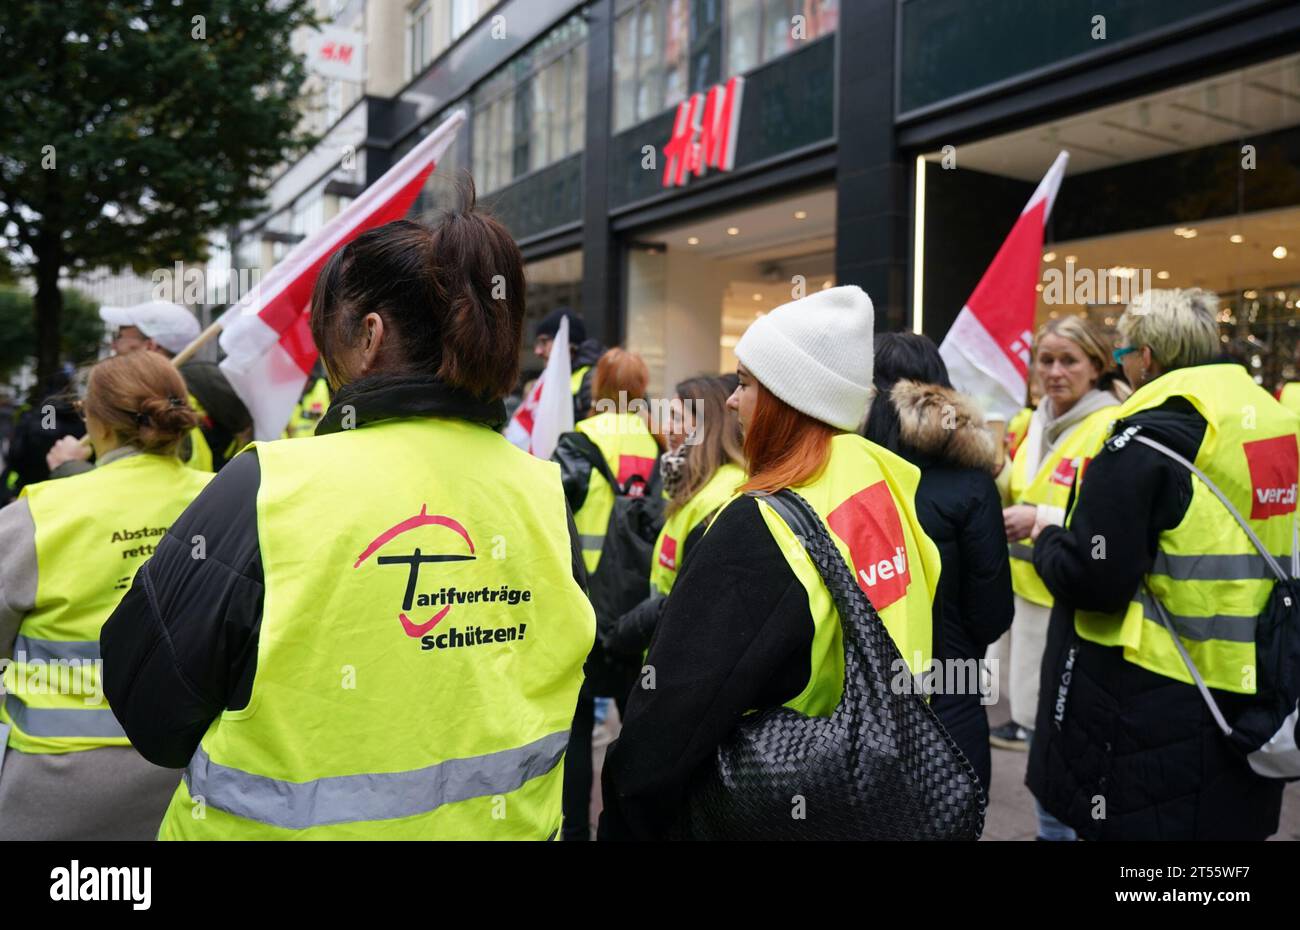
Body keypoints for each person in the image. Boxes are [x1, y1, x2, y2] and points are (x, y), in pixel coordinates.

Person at [100, 193, 596, 839]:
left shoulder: (267, 486)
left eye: (324, 339)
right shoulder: (544, 493)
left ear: (369, 338)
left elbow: (151, 710)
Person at [600, 285, 941, 840]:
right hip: (871, 787)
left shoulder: (761, 525)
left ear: (789, 398)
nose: (731, 401)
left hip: (778, 801)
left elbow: (668, 724)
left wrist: (621, 821)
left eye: (745, 383)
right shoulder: (883, 482)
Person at [1028, 288, 1296, 840]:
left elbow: (1096, 579)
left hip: (1155, 689)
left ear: (1145, 357)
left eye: (1123, 354)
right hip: (1257, 678)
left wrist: (1051, 537)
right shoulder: (1272, 423)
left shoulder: (1142, 439)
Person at [0, 351, 210, 839]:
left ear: (96, 421)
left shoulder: (42, 513)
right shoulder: (229, 498)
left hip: (57, 784)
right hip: (188, 772)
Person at [863, 333, 1013, 792]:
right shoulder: (972, 485)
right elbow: (991, 617)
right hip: (951, 703)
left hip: (861, 714)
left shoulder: (845, 479)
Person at [995, 318, 1121, 753]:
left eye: (1069, 361)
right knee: (1027, 698)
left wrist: (1039, 518)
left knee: (1058, 716)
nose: (1054, 372)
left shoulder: (1111, 425)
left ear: (1096, 366)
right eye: (1046, 360)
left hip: (1068, 587)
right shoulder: (1031, 423)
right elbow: (1021, 488)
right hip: (1023, 582)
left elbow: (1110, 516)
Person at [552, 347, 660, 840]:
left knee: (576, 731)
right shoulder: (661, 442)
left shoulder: (579, 442)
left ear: (598, 386)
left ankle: (575, 830)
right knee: (639, 729)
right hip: (640, 612)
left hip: (585, 606)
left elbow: (550, 516)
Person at [604, 374, 746, 660]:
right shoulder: (691, 487)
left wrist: (632, 627)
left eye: (678, 418)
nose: (668, 428)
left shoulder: (719, 499)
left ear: (709, 427)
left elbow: (696, 605)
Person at [98, 300, 253, 470]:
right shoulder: (201, 386)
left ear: (151, 346)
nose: (114, 346)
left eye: (119, 336)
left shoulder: (162, 395)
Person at [533, 307, 606, 424]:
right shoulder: (553, 379)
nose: (538, 351)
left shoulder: (592, 378)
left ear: (566, 342)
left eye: (544, 342)